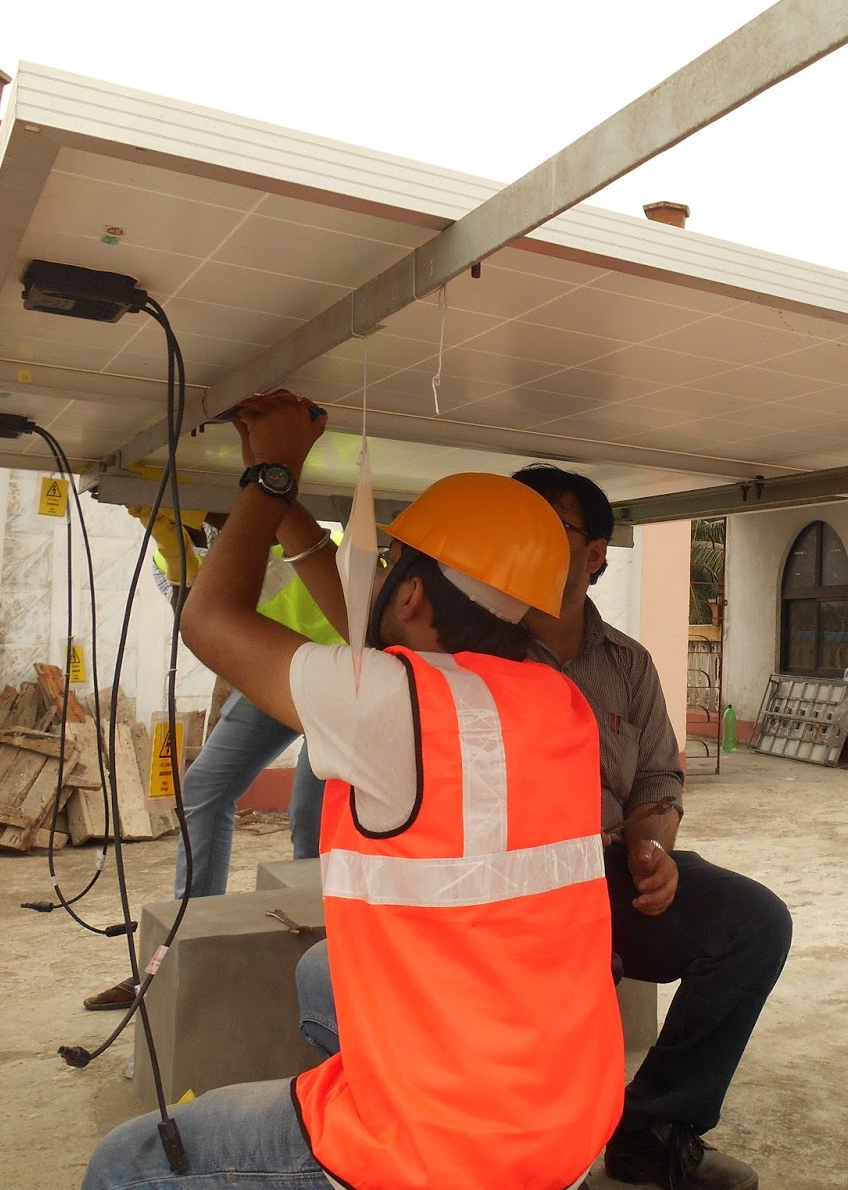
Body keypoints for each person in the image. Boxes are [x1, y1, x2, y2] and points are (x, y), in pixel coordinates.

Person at [83, 393, 623, 1190]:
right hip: (567, 1115)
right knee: (321, 974)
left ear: (407, 596)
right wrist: (293, 509)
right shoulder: (556, 702)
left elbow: (211, 620)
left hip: (443, 1151)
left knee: (123, 1164)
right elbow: (374, 632)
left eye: (389, 570)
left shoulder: (394, 703)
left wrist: (271, 474)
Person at [292, 464, 792, 1190]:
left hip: (606, 877)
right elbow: (360, 605)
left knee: (756, 922)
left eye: (545, 526)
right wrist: (281, 506)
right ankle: (412, 1122)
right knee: (328, 977)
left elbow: (657, 779)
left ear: (592, 556)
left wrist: (655, 848)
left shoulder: (629, 664)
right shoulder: (463, 638)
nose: (518, 539)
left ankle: (651, 1128)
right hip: (494, 908)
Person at [83, 511, 336, 1012]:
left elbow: (244, 597)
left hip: (334, 673)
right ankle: (185, 947)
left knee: (311, 820)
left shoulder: (290, 529)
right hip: (272, 675)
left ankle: (319, 964)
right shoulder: (170, 551)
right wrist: (178, 552)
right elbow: (204, 620)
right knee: (203, 789)